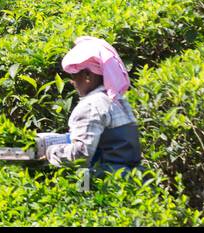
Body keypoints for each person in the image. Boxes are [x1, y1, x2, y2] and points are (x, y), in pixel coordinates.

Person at [39, 37, 141, 176]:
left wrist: (50, 152)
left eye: (74, 76)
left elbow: (81, 154)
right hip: (129, 179)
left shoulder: (91, 105)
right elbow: (105, 140)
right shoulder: (117, 100)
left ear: (87, 75)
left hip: (102, 183)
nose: (72, 82)